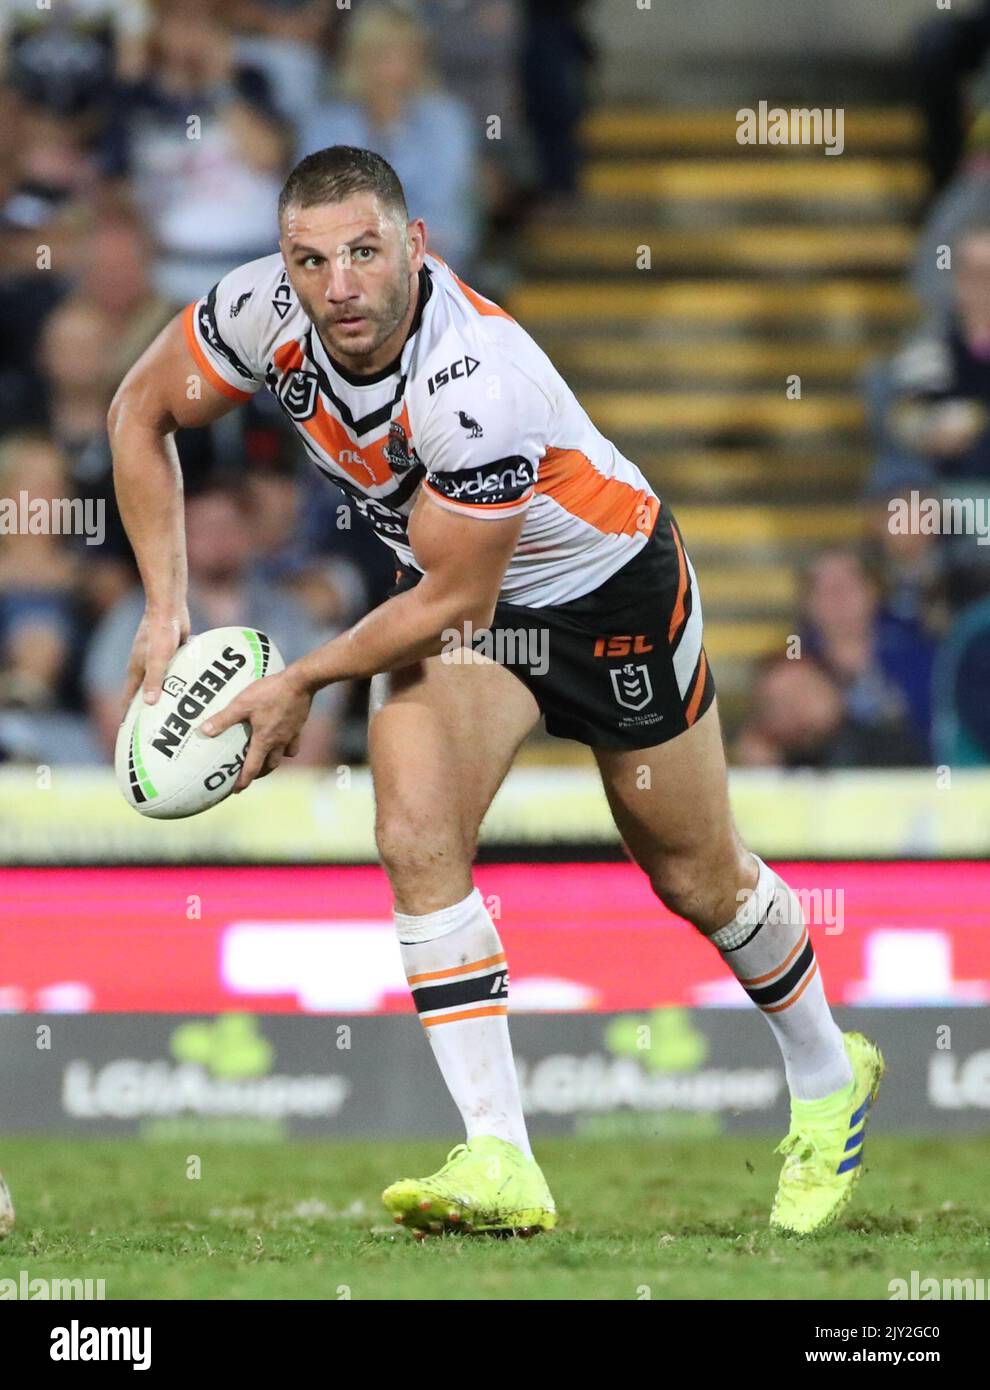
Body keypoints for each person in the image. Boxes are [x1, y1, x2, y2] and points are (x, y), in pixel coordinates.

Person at [106, 144, 884, 1240]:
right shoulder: (255, 311)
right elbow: (139, 410)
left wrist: (304, 684)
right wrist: (164, 606)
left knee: (695, 874)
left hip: (606, 592)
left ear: (414, 248)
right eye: (312, 259)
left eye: (365, 252)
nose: (339, 286)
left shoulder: (474, 382)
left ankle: (826, 1072)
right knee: (414, 828)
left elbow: (452, 599)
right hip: (468, 606)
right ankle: (502, 1157)